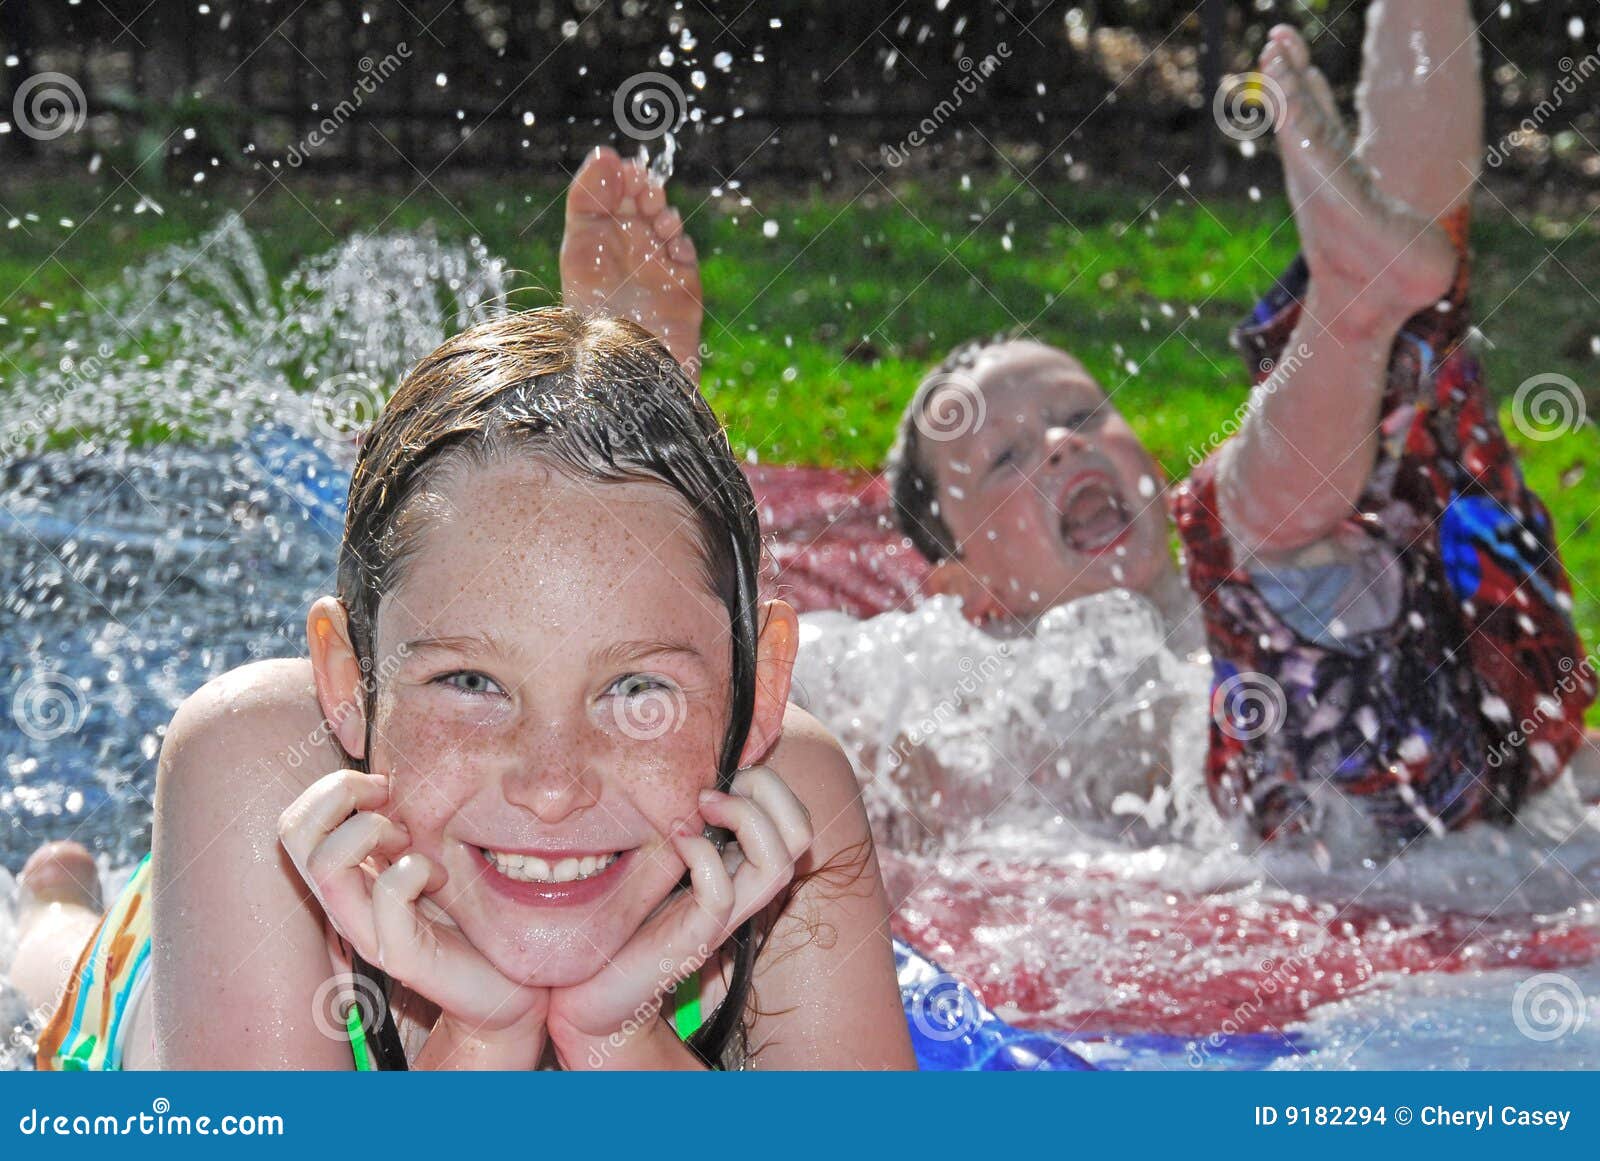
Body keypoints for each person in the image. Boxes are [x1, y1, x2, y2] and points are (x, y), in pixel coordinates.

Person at [14, 155, 911, 1069]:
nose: (552, 785)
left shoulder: (795, 803)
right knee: (48, 950)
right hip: (159, 984)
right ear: (346, 684)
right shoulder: (255, 772)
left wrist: (616, 1032)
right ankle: (54, 901)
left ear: (763, 693)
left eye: (637, 689)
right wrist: (487, 1034)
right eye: (473, 682)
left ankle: (612, 414)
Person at [881, 4, 1594, 843]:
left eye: (1080, 413)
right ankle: (1356, 297)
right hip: (1362, 782)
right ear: (966, 591)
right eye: (1005, 458)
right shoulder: (1000, 703)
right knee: (1246, 511)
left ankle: (1371, 270)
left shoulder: (1244, 546)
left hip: (1494, 677)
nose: (1062, 445)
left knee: (1404, 352)